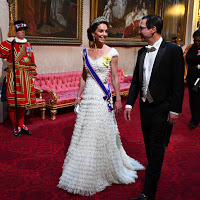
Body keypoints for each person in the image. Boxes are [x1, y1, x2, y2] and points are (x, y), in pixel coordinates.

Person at [58, 16, 144, 196]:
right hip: (88, 96)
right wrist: (78, 96)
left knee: (99, 130)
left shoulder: (112, 52)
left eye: (106, 31)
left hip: (102, 97)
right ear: (92, 33)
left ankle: (101, 169)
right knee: (85, 131)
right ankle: (84, 167)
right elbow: (83, 76)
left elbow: (114, 78)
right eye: (101, 31)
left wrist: (118, 99)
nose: (104, 34)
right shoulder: (85, 53)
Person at [124, 15, 184, 200]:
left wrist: (175, 110)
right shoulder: (142, 52)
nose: (139, 31)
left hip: (163, 108)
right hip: (145, 108)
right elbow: (136, 81)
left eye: (142, 28)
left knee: (156, 148)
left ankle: (148, 194)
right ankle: (153, 176)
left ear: (152, 29)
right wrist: (129, 103)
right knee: (150, 148)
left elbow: (178, 84)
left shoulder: (173, 50)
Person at [0, 20, 37, 137]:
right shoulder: (10, 43)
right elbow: (1, 54)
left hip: (25, 77)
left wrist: (33, 74)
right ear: (14, 31)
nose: (23, 32)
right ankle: (16, 125)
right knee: (13, 103)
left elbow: (31, 60)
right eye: (20, 30)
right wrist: (8, 41)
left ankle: (21, 124)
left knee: (23, 104)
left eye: (23, 30)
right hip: (14, 77)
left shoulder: (28, 45)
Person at [186, 30, 200, 129]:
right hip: (192, 78)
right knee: (193, 99)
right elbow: (188, 59)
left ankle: (196, 119)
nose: (197, 43)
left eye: (199, 41)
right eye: (195, 41)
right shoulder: (190, 49)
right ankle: (194, 118)